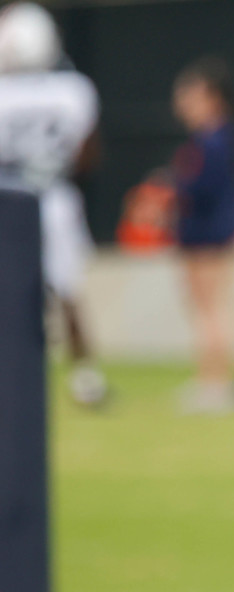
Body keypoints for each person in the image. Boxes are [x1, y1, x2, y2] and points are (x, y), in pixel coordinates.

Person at [0, 2, 107, 407]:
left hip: (8, 200)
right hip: (56, 198)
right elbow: (89, 155)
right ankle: (87, 379)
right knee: (68, 293)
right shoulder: (73, 90)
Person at [171, 55, 234, 413]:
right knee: (205, 308)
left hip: (209, 232)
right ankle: (210, 379)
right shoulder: (208, 138)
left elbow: (203, 187)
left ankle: (216, 383)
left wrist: (171, 190)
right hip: (204, 231)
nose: (183, 104)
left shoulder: (215, 140)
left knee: (210, 309)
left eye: (191, 96)